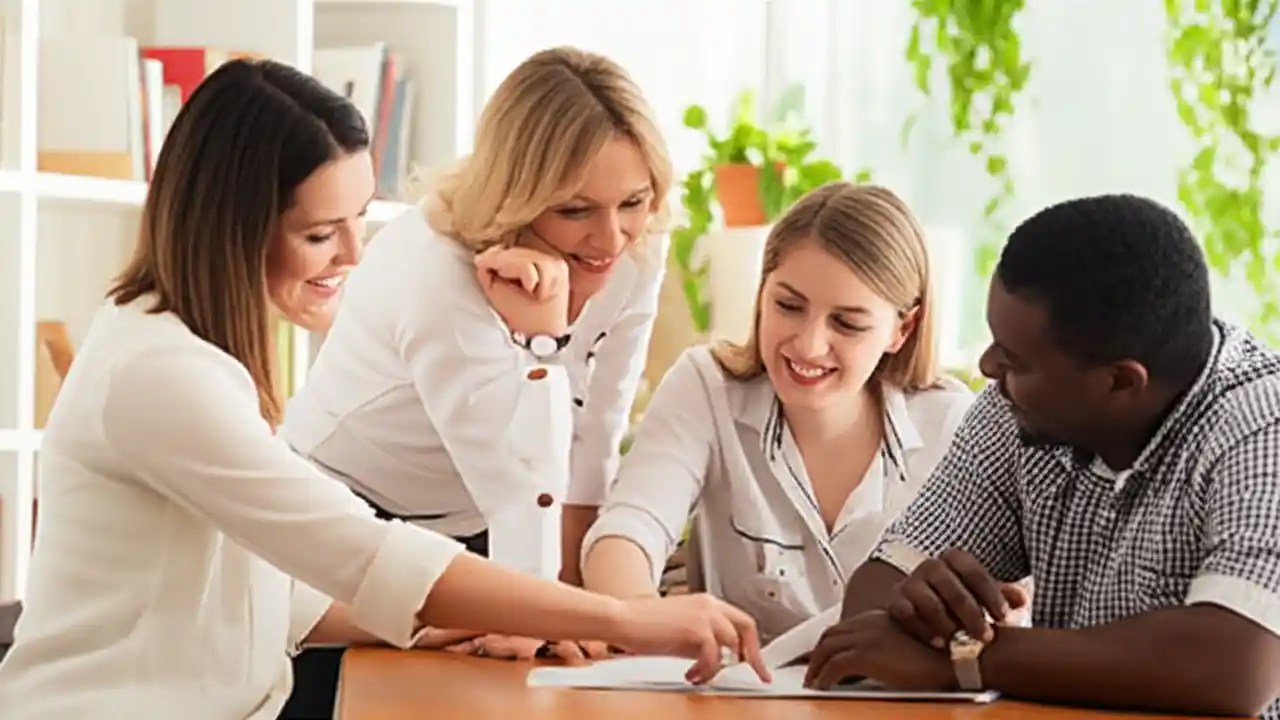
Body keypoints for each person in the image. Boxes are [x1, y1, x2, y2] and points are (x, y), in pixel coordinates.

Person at [0, 58, 767, 720]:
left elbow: (265, 583)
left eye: (358, 218)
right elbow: (360, 549)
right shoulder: (160, 376)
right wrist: (632, 621)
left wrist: (425, 627)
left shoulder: (183, 347)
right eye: (319, 232)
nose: (355, 254)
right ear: (229, 228)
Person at [803, 193, 1280, 719]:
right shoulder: (1018, 411)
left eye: (1013, 360)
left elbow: (1235, 668)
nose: (987, 367)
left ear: (1119, 381)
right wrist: (921, 607)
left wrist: (971, 658)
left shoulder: (1263, 428)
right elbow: (872, 608)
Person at [278, 46, 672, 662]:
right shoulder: (436, 270)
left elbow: (596, 432)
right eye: (575, 210)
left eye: (634, 201)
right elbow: (513, 474)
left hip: (474, 525)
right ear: (518, 193)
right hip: (347, 519)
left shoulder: (636, 246)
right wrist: (543, 342)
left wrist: (573, 598)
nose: (611, 237)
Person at [580, 182, 974, 646]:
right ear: (762, 291)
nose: (808, 344)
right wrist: (639, 615)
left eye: (847, 323)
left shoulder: (953, 424)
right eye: (788, 306)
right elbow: (631, 526)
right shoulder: (708, 387)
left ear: (900, 329)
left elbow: (1007, 596)